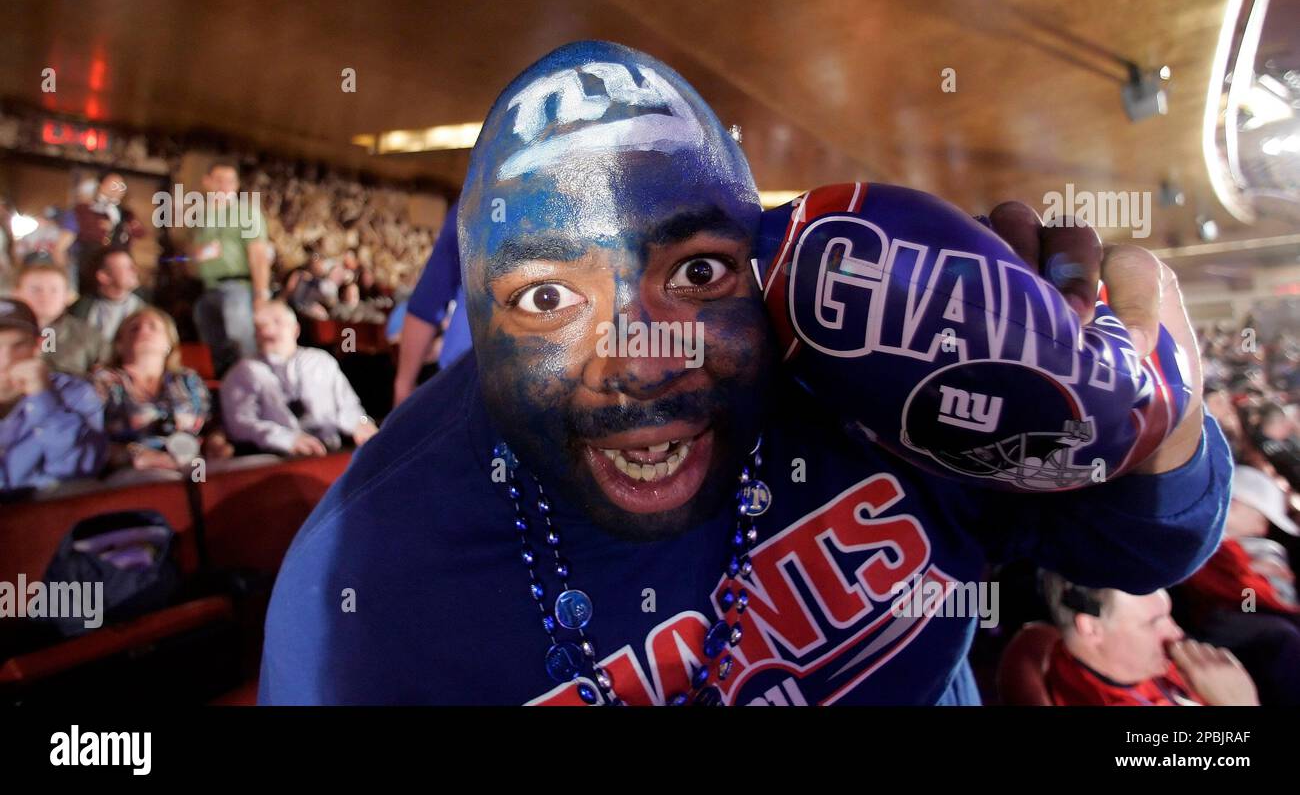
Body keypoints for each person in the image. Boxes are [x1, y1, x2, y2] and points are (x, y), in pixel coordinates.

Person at [260, 42, 1230, 706]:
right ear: (476, 314)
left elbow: (1144, 553)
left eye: (695, 271)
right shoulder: (362, 574)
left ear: (759, 260)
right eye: (549, 297)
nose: (642, 360)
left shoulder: (871, 362)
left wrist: (1150, 425)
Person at [1179, 465, 1300, 704]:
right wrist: (1255, 580)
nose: (1262, 527)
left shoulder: (1258, 550)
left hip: (1231, 615)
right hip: (1213, 619)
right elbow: (1244, 598)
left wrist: (1254, 578)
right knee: (1284, 636)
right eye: (1260, 517)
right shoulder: (1215, 542)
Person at [1041, 572, 1257, 706]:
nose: (1176, 633)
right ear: (1091, 628)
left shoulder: (1139, 663)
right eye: (1153, 622)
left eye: (1168, 616)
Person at [221, 300, 377, 456]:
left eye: (277, 322)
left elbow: (350, 407)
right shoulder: (242, 372)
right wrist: (286, 440)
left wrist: (361, 423)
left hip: (332, 449)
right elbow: (240, 424)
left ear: (296, 329)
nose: (268, 330)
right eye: (261, 326)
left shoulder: (320, 361)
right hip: (276, 458)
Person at [92, 307, 230, 473]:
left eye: (153, 327)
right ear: (120, 345)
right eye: (134, 328)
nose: (143, 331)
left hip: (193, 466)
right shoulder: (103, 382)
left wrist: (216, 442)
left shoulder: (187, 380)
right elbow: (83, 442)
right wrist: (132, 456)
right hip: (132, 474)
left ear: (169, 344)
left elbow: (212, 424)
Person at [0, 297, 106, 490]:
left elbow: (80, 468)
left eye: (18, 345)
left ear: (39, 346)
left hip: (43, 514)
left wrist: (42, 399)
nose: (5, 359)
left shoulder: (75, 393)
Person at [189, 158, 272, 377]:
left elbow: (259, 255)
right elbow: (193, 257)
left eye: (230, 181)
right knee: (213, 348)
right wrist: (195, 256)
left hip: (238, 288)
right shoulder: (201, 215)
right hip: (208, 289)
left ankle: (255, 386)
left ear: (236, 186)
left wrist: (261, 294)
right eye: (219, 180)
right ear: (207, 182)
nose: (224, 186)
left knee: (242, 344)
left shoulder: (246, 213)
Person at [392, 199, 469, 406]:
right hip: (463, 382)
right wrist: (404, 384)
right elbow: (427, 303)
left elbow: (427, 304)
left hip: (463, 381)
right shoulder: (472, 205)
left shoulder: (477, 200)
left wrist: (404, 384)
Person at [13, 261, 103, 375]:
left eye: (54, 290)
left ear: (66, 296)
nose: (45, 296)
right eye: (36, 289)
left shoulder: (88, 336)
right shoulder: (4, 333)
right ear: (16, 293)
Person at [71, 171, 146, 295]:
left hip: (118, 264)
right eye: (113, 185)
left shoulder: (126, 213)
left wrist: (120, 227)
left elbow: (140, 232)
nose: (117, 189)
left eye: (121, 186)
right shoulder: (86, 209)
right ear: (101, 186)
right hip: (91, 261)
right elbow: (86, 232)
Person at [68, 248, 146, 347]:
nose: (134, 270)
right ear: (103, 276)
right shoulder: (79, 310)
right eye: (127, 267)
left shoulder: (142, 311)